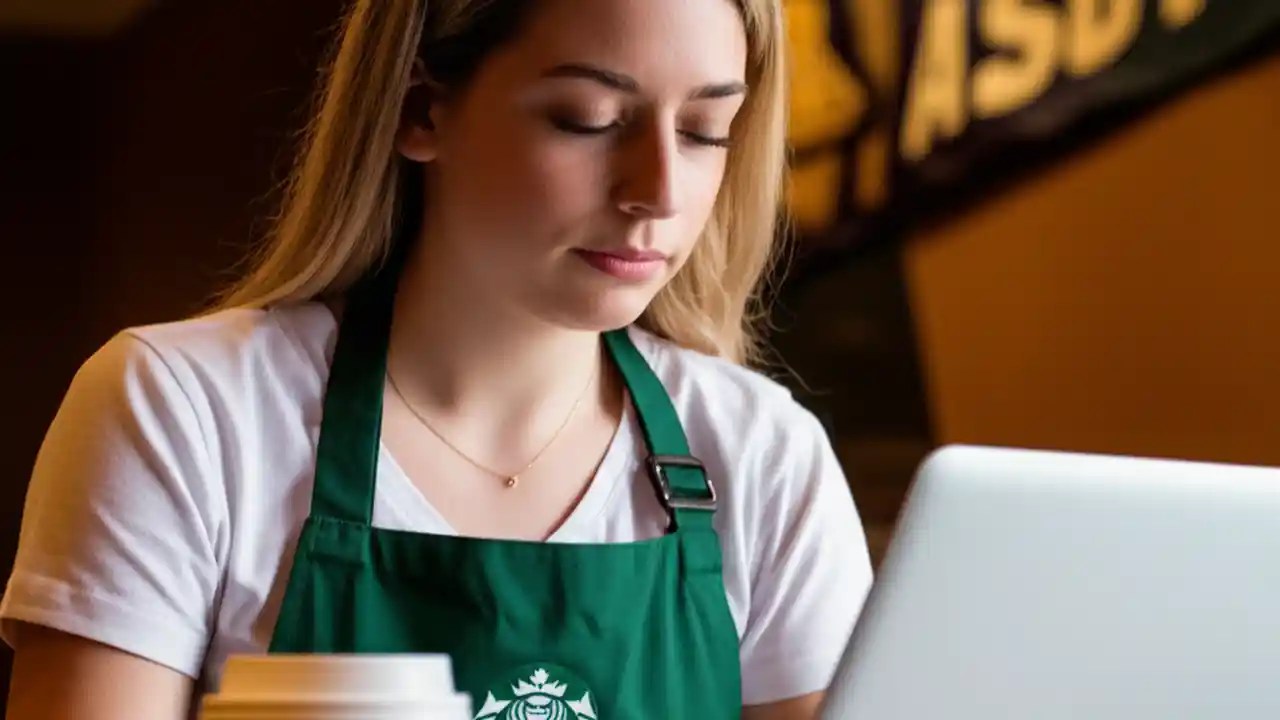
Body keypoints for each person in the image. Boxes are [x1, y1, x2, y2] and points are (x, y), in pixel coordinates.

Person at [1, 0, 874, 717]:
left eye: (705, 131)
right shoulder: (186, 412)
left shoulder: (765, 455)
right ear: (423, 110)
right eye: (589, 119)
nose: (659, 191)